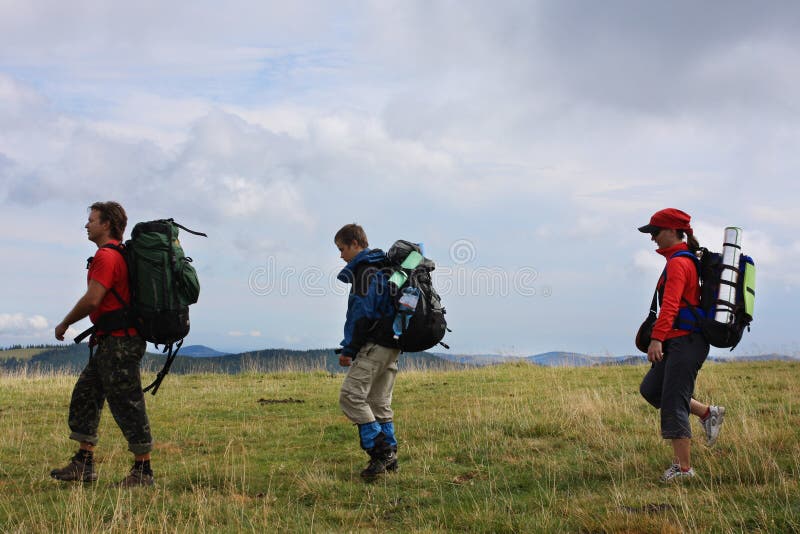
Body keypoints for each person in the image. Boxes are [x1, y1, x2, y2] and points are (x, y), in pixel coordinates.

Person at [50, 201, 154, 487]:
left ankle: (143, 471)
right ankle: (83, 463)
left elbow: (93, 299)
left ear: (106, 224)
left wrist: (65, 323)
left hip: (120, 342)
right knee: (86, 395)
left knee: (127, 403)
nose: (87, 224)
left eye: (92, 220)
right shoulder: (115, 255)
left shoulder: (107, 258)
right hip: (112, 340)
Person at [637, 208, 725, 483]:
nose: (652, 238)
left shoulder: (679, 262)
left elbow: (671, 305)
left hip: (685, 341)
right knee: (652, 390)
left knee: (674, 399)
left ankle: (684, 470)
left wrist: (656, 338)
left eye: (655, 232)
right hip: (679, 340)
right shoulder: (678, 259)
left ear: (674, 232)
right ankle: (708, 413)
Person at [334, 223, 401, 480]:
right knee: (378, 402)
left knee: (351, 396)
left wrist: (349, 348)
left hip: (373, 345)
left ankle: (381, 452)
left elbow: (362, 314)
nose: (341, 255)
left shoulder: (365, 271)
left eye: (342, 249)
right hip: (393, 345)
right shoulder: (385, 268)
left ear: (354, 244)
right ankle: (391, 454)